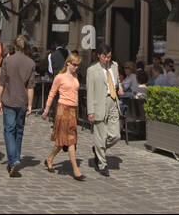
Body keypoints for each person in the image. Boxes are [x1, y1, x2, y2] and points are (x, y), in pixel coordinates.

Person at [0, 34, 36, 178]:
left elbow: (2, 82)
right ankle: (15, 158)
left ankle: (13, 160)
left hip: (9, 99)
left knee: (9, 130)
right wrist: (30, 104)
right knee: (18, 131)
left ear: (15, 46)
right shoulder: (30, 63)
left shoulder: (7, 60)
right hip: (22, 101)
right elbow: (30, 87)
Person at [42, 51, 85, 180]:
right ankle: (76, 170)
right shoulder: (60, 77)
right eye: (74, 64)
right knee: (70, 140)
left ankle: (50, 158)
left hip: (73, 110)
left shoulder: (76, 76)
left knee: (62, 142)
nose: (76, 67)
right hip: (63, 109)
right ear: (68, 63)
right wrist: (46, 110)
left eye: (78, 65)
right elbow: (52, 93)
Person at [86, 42, 121, 177]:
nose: (107, 60)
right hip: (99, 103)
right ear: (99, 56)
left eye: (109, 57)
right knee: (100, 135)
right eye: (104, 57)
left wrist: (120, 87)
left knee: (115, 135)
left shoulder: (115, 66)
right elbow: (90, 92)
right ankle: (102, 163)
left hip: (113, 101)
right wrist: (91, 111)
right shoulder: (92, 70)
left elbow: (116, 81)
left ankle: (98, 148)